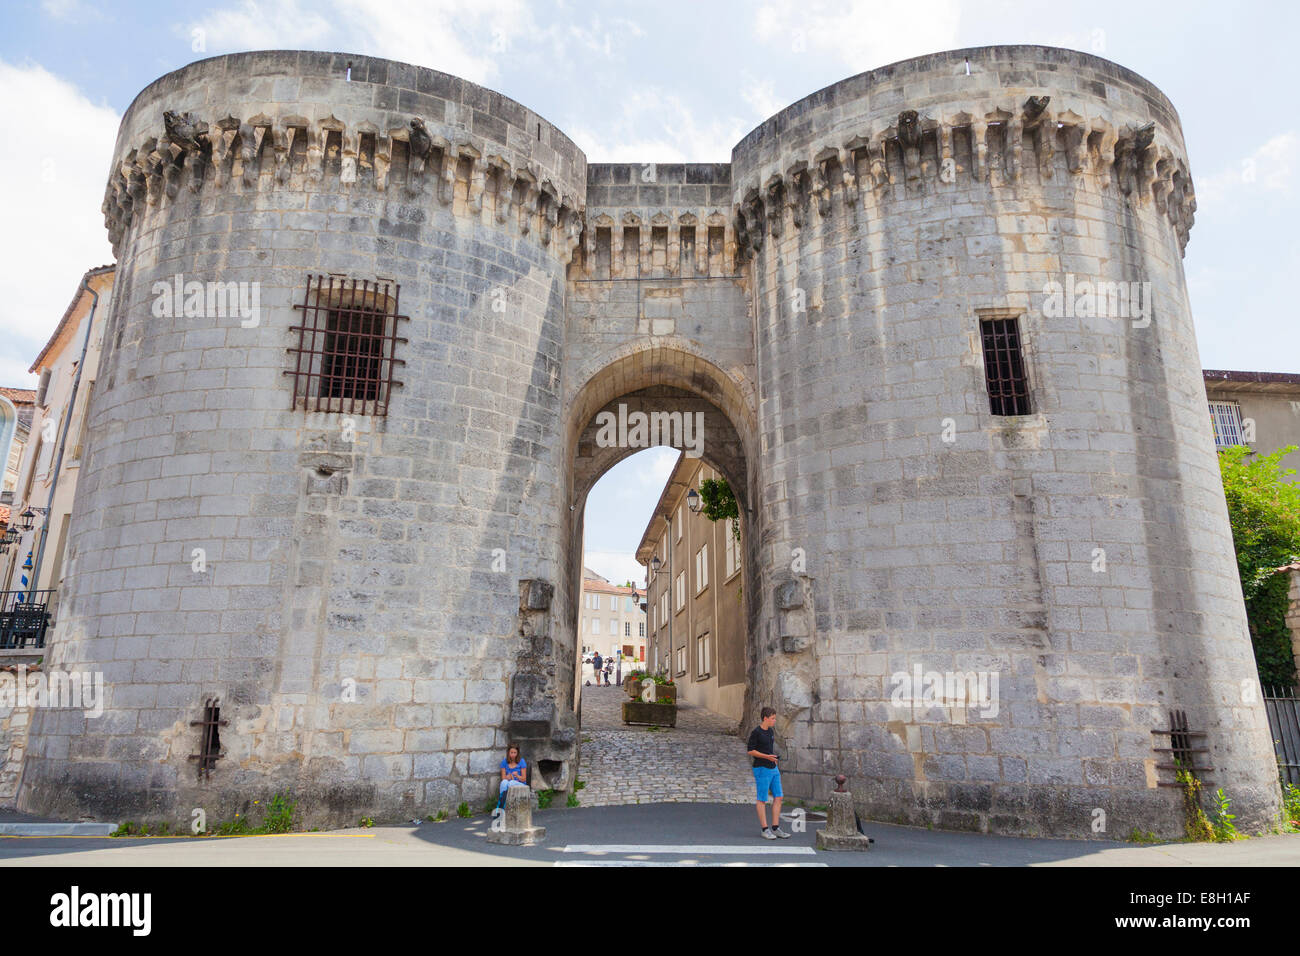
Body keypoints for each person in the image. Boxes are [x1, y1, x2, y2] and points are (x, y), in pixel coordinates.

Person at [746, 706, 789, 839]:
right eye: (772, 718)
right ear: (765, 718)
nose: (774, 721)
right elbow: (751, 751)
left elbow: (768, 749)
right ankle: (765, 829)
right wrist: (767, 757)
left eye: (775, 718)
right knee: (762, 799)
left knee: (779, 796)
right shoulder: (756, 732)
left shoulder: (770, 732)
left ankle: (775, 828)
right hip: (761, 768)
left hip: (772, 767)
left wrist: (773, 758)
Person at [497, 744, 528, 808]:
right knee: (504, 782)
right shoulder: (504, 762)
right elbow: (503, 778)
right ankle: (501, 804)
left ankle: (503, 806)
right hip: (509, 782)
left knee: (511, 783)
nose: (513, 755)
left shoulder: (521, 761)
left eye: (515, 753)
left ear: (517, 753)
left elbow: (524, 779)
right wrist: (508, 777)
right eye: (511, 752)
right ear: (508, 752)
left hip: (520, 784)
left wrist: (517, 776)